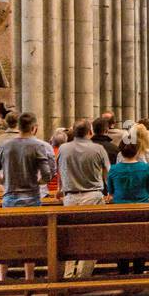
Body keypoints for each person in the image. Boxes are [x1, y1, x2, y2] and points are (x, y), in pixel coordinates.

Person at [57, 119, 112, 278]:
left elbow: (60, 169)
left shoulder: (64, 148)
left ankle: (68, 274)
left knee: (71, 237)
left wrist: (60, 189)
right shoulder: (98, 149)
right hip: (93, 195)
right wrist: (111, 191)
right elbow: (108, 172)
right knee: (92, 236)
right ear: (90, 132)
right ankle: (83, 275)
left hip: (71, 197)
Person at [106, 140, 149, 274]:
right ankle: (139, 270)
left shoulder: (114, 169)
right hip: (141, 207)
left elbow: (110, 190)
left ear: (121, 152)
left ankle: (123, 270)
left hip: (120, 209)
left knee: (121, 239)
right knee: (141, 239)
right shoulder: (145, 167)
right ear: (137, 151)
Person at [0, 112, 53, 207]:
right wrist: (38, 182)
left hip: (10, 196)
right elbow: (47, 175)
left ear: (19, 127)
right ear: (33, 128)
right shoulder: (38, 146)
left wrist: (5, 182)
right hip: (32, 196)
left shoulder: (4, 145)